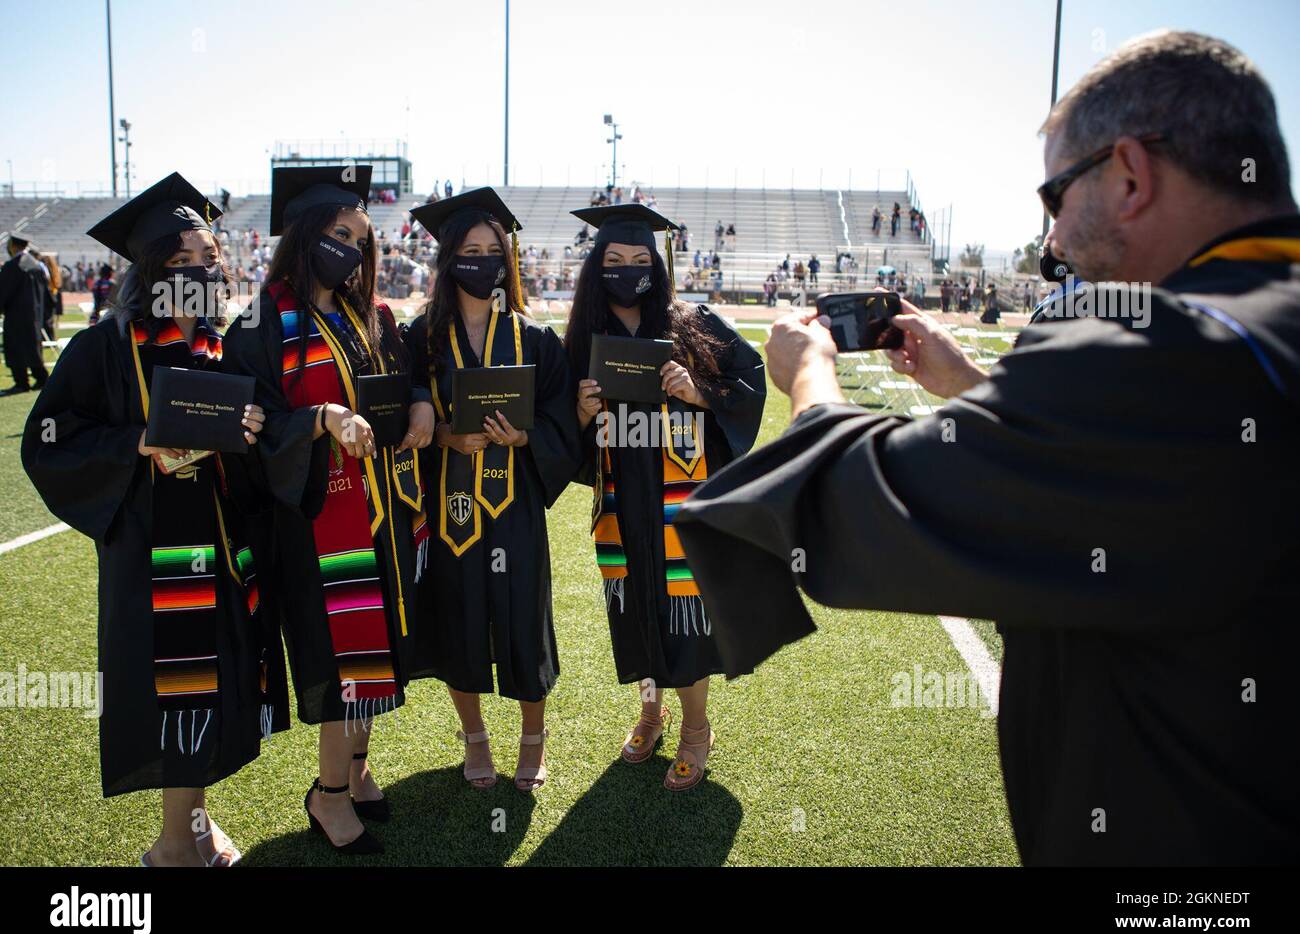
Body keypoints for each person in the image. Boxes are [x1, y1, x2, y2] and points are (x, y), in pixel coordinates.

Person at [673, 30, 1300, 865]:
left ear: (1131, 176)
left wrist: (810, 380)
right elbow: (1137, 480)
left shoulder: (1157, 351)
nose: (1052, 242)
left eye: (1055, 197)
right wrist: (971, 384)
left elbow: (868, 509)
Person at [21, 173, 286, 866]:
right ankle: (174, 844)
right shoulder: (104, 349)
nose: (202, 271)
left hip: (222, 545)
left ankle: (194, 824)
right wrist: (136, 443)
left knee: (213, 683)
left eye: (210, 259)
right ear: (150, 271)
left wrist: (250, 428)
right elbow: (47, 440)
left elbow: (248, 450)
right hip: (152, 552)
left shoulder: (220, 347)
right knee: (176, 689)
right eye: (183, 262)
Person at [222, 165, 426, 855]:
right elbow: (250, 423)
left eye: (363, 240)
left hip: (382, 512)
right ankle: (328, 796)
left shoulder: (366, 314)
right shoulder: (262, 320)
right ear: (308, 235)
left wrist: (421, 402)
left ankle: (358, 772)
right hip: (317, 518)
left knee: (378, 651)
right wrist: (319, 420)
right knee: (345, 658)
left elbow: (404, 382)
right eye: (342, 234)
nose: (354, 250)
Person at [564, 203, 766, 791]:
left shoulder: (691, 322)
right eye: (614, 260)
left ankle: (696, 730)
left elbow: (748, 385)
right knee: (637, 614)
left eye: (639, 260)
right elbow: (556, 430)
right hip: (621, 501)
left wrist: (699, 391)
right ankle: (652, 712)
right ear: (596, 268)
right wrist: (580, 411)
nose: (627, 271)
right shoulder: (582, 341)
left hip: (678, 499)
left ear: (657, 264)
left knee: (685, 616)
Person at [403, 189, 579, 791]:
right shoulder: (420, 339)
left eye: (493, 251)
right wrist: (444, 435)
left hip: (516, 506)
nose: (483, 262)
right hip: (450, 506)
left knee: (524, 617)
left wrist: (529, 440)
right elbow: (401, 413)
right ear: (448, 260)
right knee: (460, 618)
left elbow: (562, 422)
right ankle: (474, 738)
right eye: (470, 251)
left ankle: (534, 736)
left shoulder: (535, 340)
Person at [0, 231, 52, 394]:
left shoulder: (13, 265)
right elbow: (47, 293)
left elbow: (3, 292)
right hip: (35, 315)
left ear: (13, 245)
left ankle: (21, 383)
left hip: (16, 315)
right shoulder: (36, 265)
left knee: (15, 348)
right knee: (32, 348)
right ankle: (42, 379)